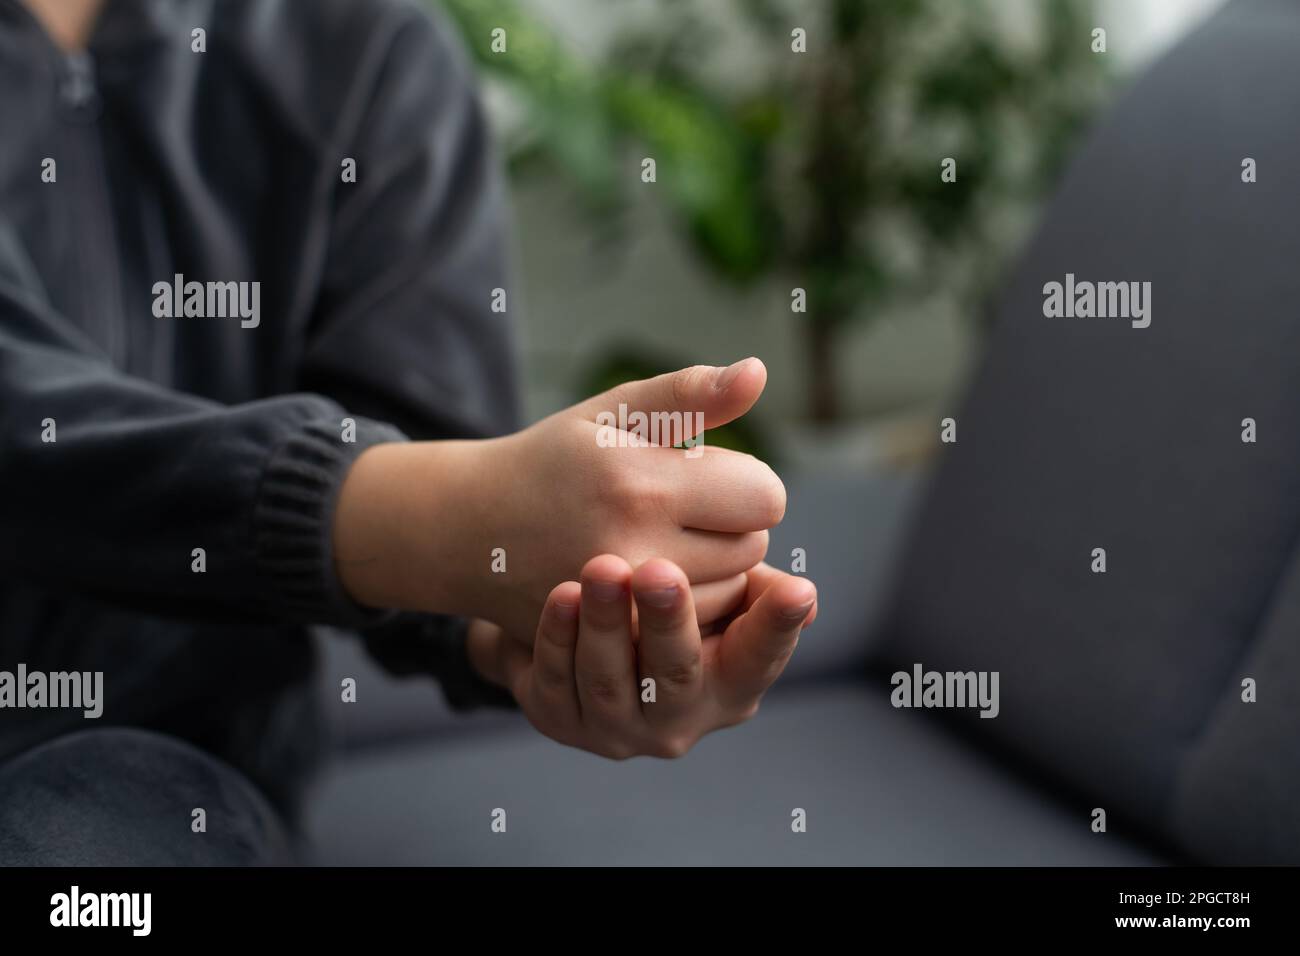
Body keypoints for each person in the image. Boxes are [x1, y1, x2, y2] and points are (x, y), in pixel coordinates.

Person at [0, 0, 817, 864]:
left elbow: (427, 445)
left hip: (167, 788)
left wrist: (526, 629)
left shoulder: (368, 42)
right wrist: (434, 521)